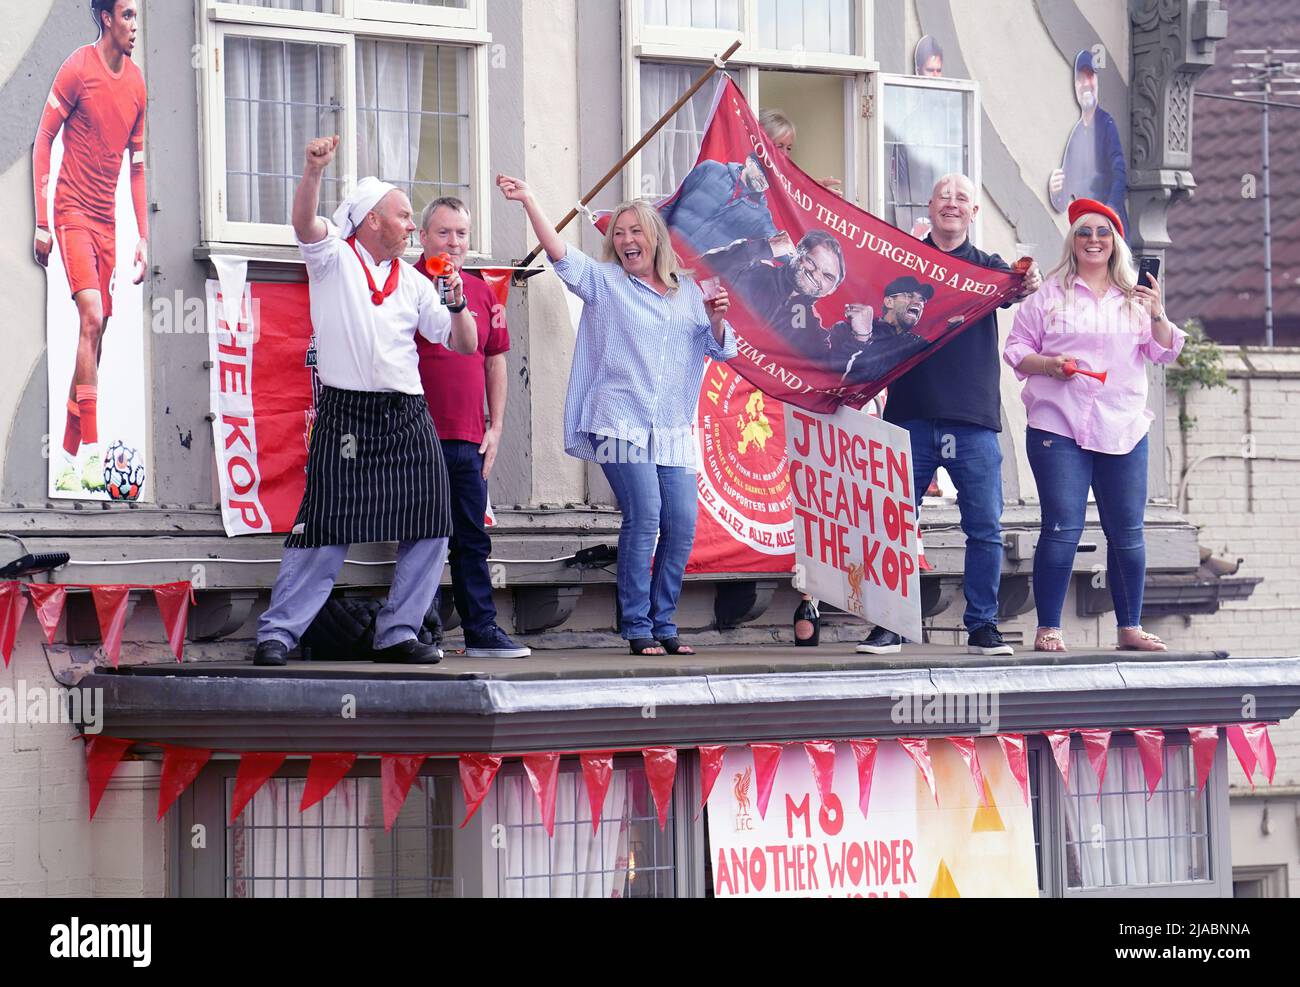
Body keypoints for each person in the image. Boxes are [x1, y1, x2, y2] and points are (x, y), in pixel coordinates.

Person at [252, 137, 478, 667]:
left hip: (406, 412)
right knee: (325, 523)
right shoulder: (333, 257)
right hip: (347, 413)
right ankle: (279, 633)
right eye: (403, 216)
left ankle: (398, 632)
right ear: (371, 220)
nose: (410, 226)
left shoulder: (419, 284)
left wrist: (458, 300)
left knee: (432, 520)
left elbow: (465, 343)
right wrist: (312, 170)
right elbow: (304, 222)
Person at [497, 174, 736, 657]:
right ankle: (637, 625)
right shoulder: (605, 282)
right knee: (645, 516)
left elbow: (719, 349)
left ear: (655, 240)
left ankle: (665, 623)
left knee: (682, 525)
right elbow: (560, 253)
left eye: (636, 232)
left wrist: (716, 318)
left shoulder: (689, 292)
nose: (627, 241)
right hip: (617, 422)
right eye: (620, 233)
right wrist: (530, 200)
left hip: (671, 429)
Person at [856, 174, 1042, 657]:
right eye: (944, 198)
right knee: (892, 524)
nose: (953, 205)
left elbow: (1020, 287)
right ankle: (887, 625)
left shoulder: (988, 268)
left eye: (962, 199)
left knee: (984, 527)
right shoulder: (906, 261)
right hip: (910, 413)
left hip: (973, 418)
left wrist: (1029, 281)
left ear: (974, 213)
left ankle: (982, 625)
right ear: (930, 206)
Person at [1004, 199, 1184, 653]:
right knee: (1062, 525)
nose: (1093, 240)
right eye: (1084, 232)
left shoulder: (1135, 298)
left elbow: (1165, 351)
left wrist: (1159, 311)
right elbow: (1016, 349)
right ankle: (1049, 626)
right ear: (1073, 241)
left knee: (1127, 531)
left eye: (1102, 232)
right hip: (1058, 424)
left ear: (1115, 242)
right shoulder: (1050, 294)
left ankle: (1129, 627)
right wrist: (1050, 365)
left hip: (1122, 426)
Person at [34, 0, 148, 494]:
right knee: (91, 317)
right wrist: (42, 222)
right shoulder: (78, 67)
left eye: (137, 17)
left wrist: (143, 235)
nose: (134, 26)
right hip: (71, 212)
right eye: (127, 16)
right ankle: (96, 456)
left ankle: (66, 457)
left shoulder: (139, 84)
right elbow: (43, 141)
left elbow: (138, 168)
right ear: (106, 18)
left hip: (108, 224)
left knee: (96, 339)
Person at [414, 197, 530, 659]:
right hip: (416, 433)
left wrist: (496, 426)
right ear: (423, 238)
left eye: (461, 233)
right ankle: (416, 630)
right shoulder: (405, 282)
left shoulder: (482, 291)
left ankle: (481, 631)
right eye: (444, 233)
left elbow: (495, 360)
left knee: (471, 538)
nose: (454, 242)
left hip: (468, 436)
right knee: (420, 534)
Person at [701, 229, 845, 360]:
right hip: (705, 367)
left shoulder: (813, 335)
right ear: (796, 254)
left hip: (748, 387)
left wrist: (860, 339)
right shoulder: (748, 270)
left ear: (831, 290)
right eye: (811, 261)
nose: (815, 274)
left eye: (827, 276)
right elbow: (701, 269)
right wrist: (766, 247)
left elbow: (829, 374)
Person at [1049, 50, 1129, 238]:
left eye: (1090, 76)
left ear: (1097, 81)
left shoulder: (1106, 124)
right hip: (1086, 231)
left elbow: (1120, 173)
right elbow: (1062, 200)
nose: (1086, 84)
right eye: (1080, 78)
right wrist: (1056, 190)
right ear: (1075, 85)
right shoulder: (1076, 135)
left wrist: (1109, 212)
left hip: (1112, 231)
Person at [660, 153, 778, 257]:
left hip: (692, 273)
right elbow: (673, 205)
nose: (763, 180)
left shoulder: (761, 216)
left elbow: (780, 245)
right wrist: (649, 231)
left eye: (769, 181)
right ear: (749, 162)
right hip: (662, 249)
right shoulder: (710, 169)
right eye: (761, 172)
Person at [826, 276, 934, 385]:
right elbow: (829, 377)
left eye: (922, 300)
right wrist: (861, 338)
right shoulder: (846, 329)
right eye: (909, 296)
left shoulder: (918, 346)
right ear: (889, 302)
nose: (918, 302)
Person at [759, 108, 842, 194]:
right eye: (779, 146)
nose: (785, 154)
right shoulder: (751, 177)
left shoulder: (784, 180)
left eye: (788, 148)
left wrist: (812, 192)